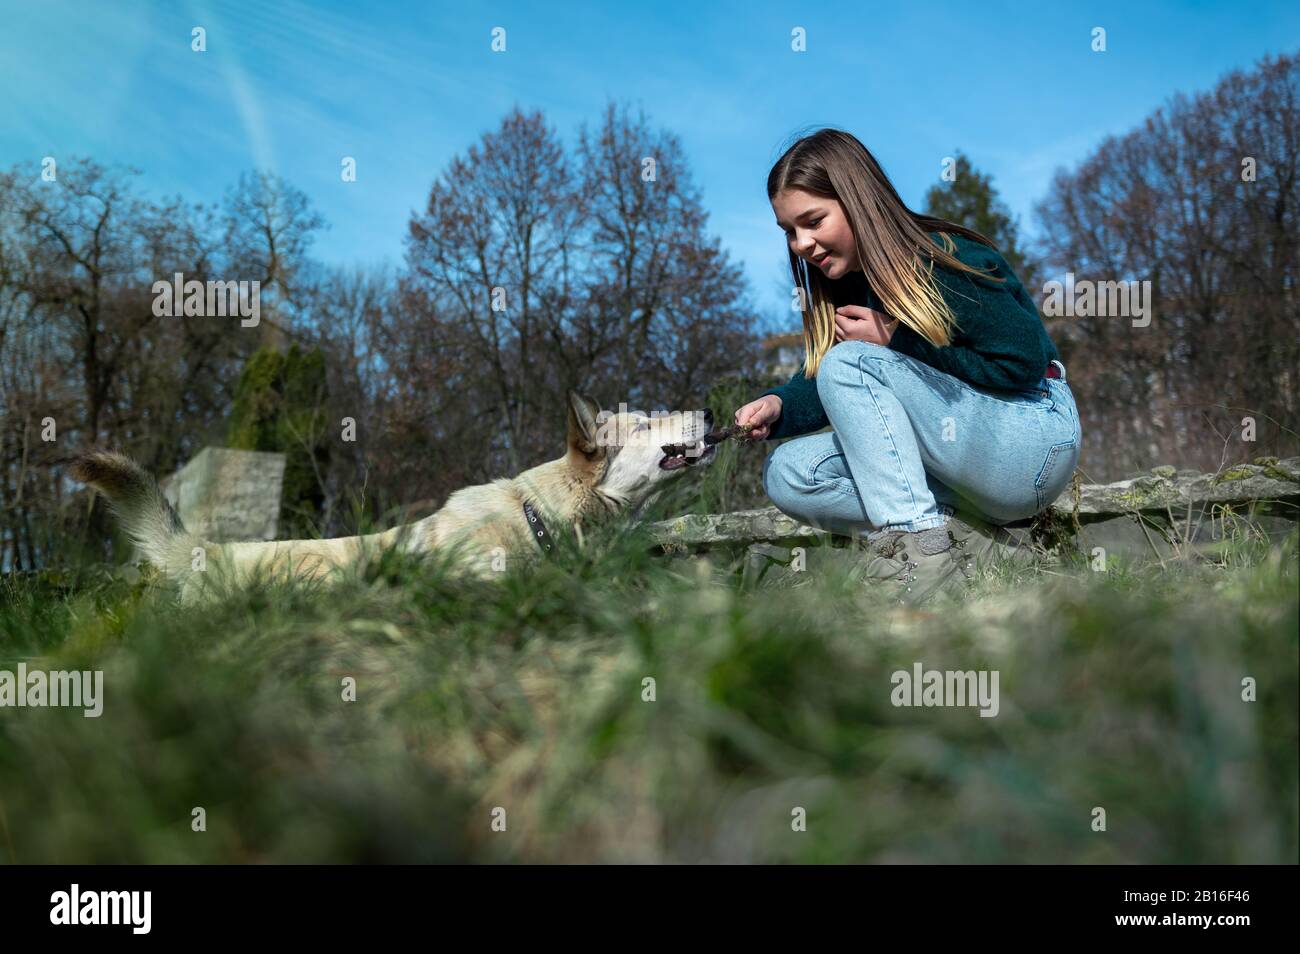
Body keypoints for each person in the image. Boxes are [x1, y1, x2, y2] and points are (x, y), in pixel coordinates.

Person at [735, 129, 1081, 604]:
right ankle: (974, 548)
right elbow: (843, 388)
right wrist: (780, 404)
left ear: (858, 200)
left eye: (813, 221)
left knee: (849, 363)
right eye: (789, 231)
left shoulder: (944, 259)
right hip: (961, 465)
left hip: (1031, 437)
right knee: (791, 473)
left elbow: (1021, 364)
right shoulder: (847, 289)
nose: (801, 243)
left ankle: (920, 556)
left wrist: (897, 339)